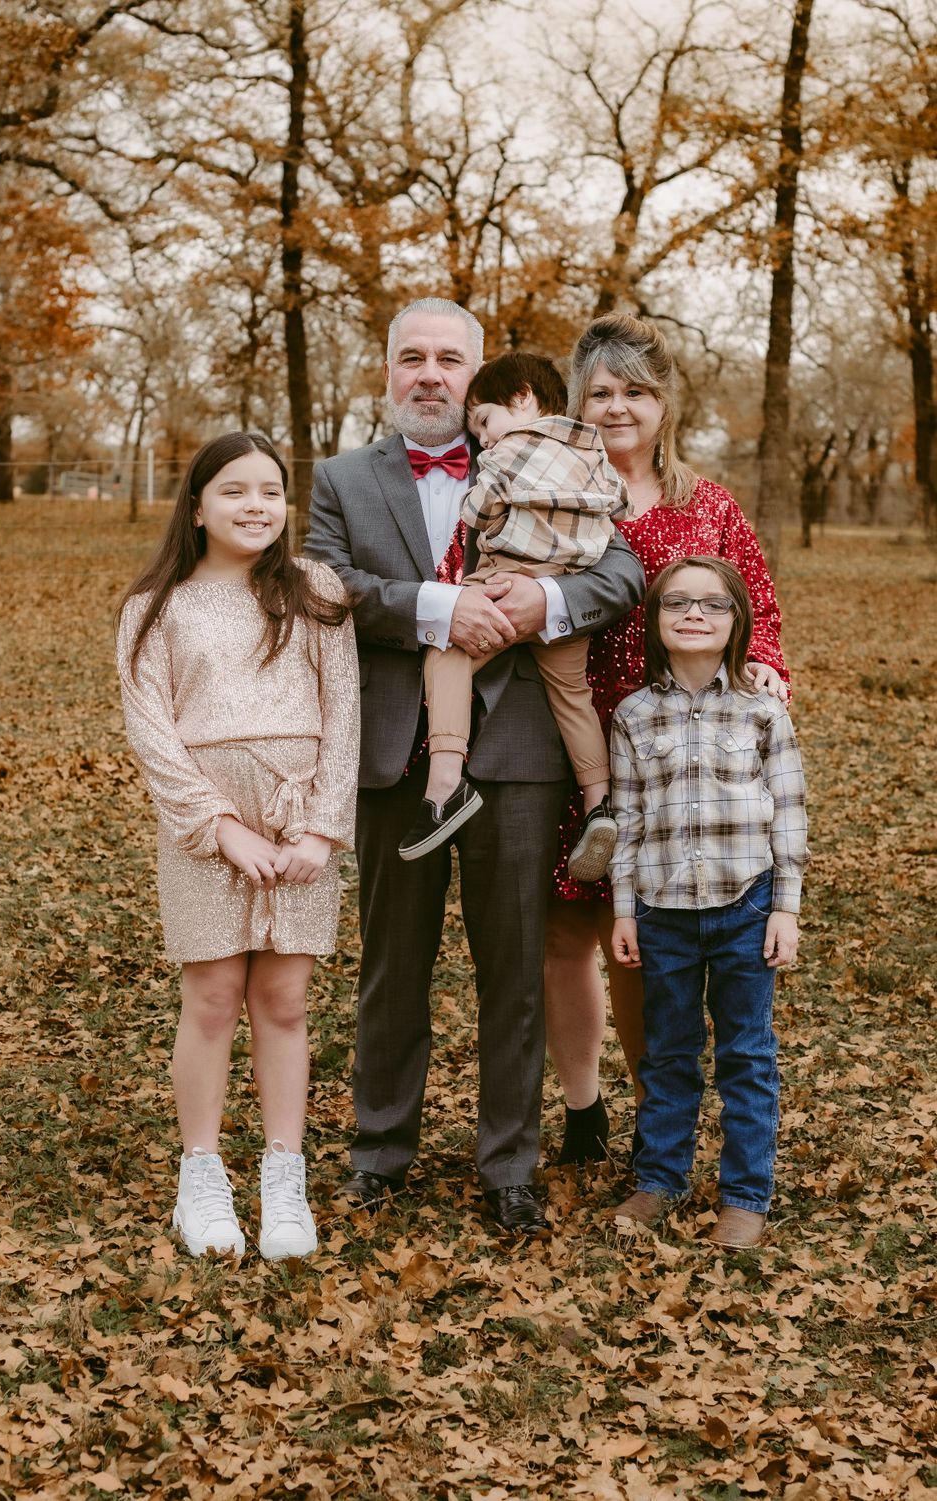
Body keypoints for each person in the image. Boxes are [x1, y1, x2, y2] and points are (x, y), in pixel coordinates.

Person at [305, 297, 645, 1234]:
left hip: (520, 753)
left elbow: (618, 574)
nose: (429, 374)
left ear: (475, 373)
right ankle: (379, 1152)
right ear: (386, 371)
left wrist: (545, 601)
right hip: (393, 759)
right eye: (411, 357)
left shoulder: (549, 454)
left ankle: (509, 1166)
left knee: (514, 972)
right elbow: (329, 582)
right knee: (391, 966)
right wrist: (435, 609)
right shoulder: (341, 478)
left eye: (448, 359)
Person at [544, 312, 791, 1169]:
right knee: (572, 932)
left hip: (683, 748)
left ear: (663, 402)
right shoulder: (554, 489)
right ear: (579, 401)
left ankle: (664, 1114)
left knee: (653, 933)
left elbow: (755, 605)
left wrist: (765, 667)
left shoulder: (705, 503)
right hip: (573, 738)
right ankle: (586, 1107)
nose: (617, 408)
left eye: (635, 392)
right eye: (600, 392)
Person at [115, 431, 358, 1261]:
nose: (256, 506)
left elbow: (345, 713)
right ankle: (202, 1175)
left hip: (298, 821)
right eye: (234, 490)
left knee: (285, 1000)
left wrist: (323, 827)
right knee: (214, 997)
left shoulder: (315, 590)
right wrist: (218, 826)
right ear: (197, 505)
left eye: (270, 491)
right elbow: (151, 733)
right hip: (205, 822)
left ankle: (284, 1177)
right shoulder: (158, 606)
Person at [606, 557, 807, 1248]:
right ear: (655, 622)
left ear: (736, 622)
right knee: (668, 1051)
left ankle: (746, 1194)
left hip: (746, 906)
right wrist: (624, 910)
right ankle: (660, 1178)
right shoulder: (633, 714)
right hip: (663, 911)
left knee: (747, 1052)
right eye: (677, 603)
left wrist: (786, 905)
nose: (694, 613)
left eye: (713, 604)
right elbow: (625, 820)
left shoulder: (760, 707)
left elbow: (789, 811)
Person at [398, 350, 629, 881]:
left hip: (506, 576)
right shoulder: (591, 447)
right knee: (574, 698)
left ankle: (445, 781)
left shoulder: (509, 451)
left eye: (484, 421)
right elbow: (616, 505)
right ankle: (600, 801)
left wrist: (481, 502)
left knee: (447, 652)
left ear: (522, 399)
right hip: (566, 588)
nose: (483, 438)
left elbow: (481, 510)